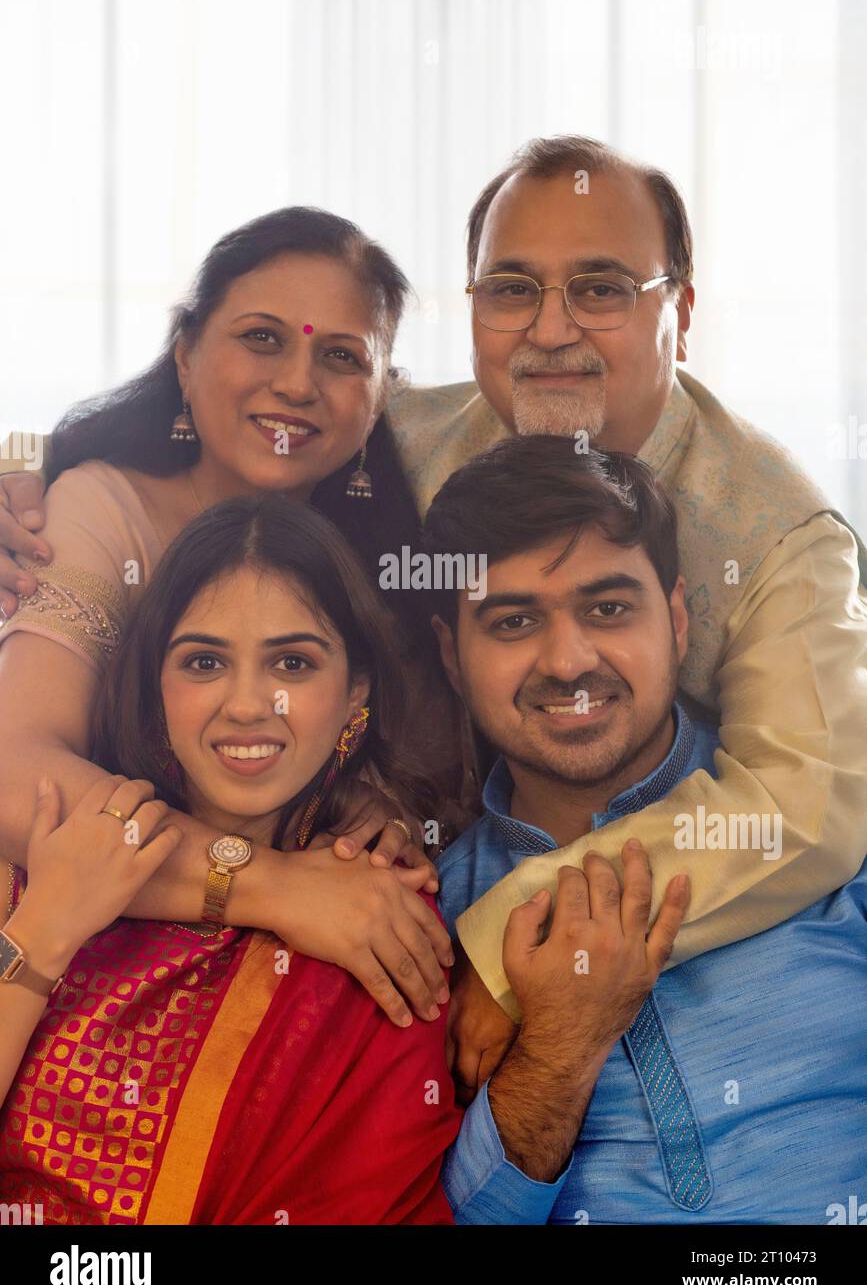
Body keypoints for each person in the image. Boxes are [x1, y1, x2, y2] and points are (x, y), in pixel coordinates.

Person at [4, 137, 867, 1023]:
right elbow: (216, 420)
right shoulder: (409, 435)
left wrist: (504, 946)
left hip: (657, 953)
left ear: (681, 313)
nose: (550, 328)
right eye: (511, 290)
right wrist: (19, 464)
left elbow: (808, 808)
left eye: (601, 289)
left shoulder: (780, 537)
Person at [0, 206, 464, 1030]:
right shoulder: (103, 509)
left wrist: (379, 816)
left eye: (341, 356)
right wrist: (272, 885)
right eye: (261, 337)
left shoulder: (388, 565)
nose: (296, 382)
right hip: (72, 960)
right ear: (184, 355)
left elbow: (432, 787)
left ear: (381, 395)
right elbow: (14, 777)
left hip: (279, 985)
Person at [423, 437, 867, 1224]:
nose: (567, 662)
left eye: (607, 609)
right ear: (449, 659)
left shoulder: (826, 827)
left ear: (676, 618)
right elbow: (443, 1217)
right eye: (513, 620)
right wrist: (561, 1046)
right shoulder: (426, 925)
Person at [0, 495, 461, 1224]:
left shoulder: (376, 922)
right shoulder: (34, 857)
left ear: (355, 696)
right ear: (156, 690)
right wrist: (44, 934)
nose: (248, 704)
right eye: (205, 662)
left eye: (292, 662)